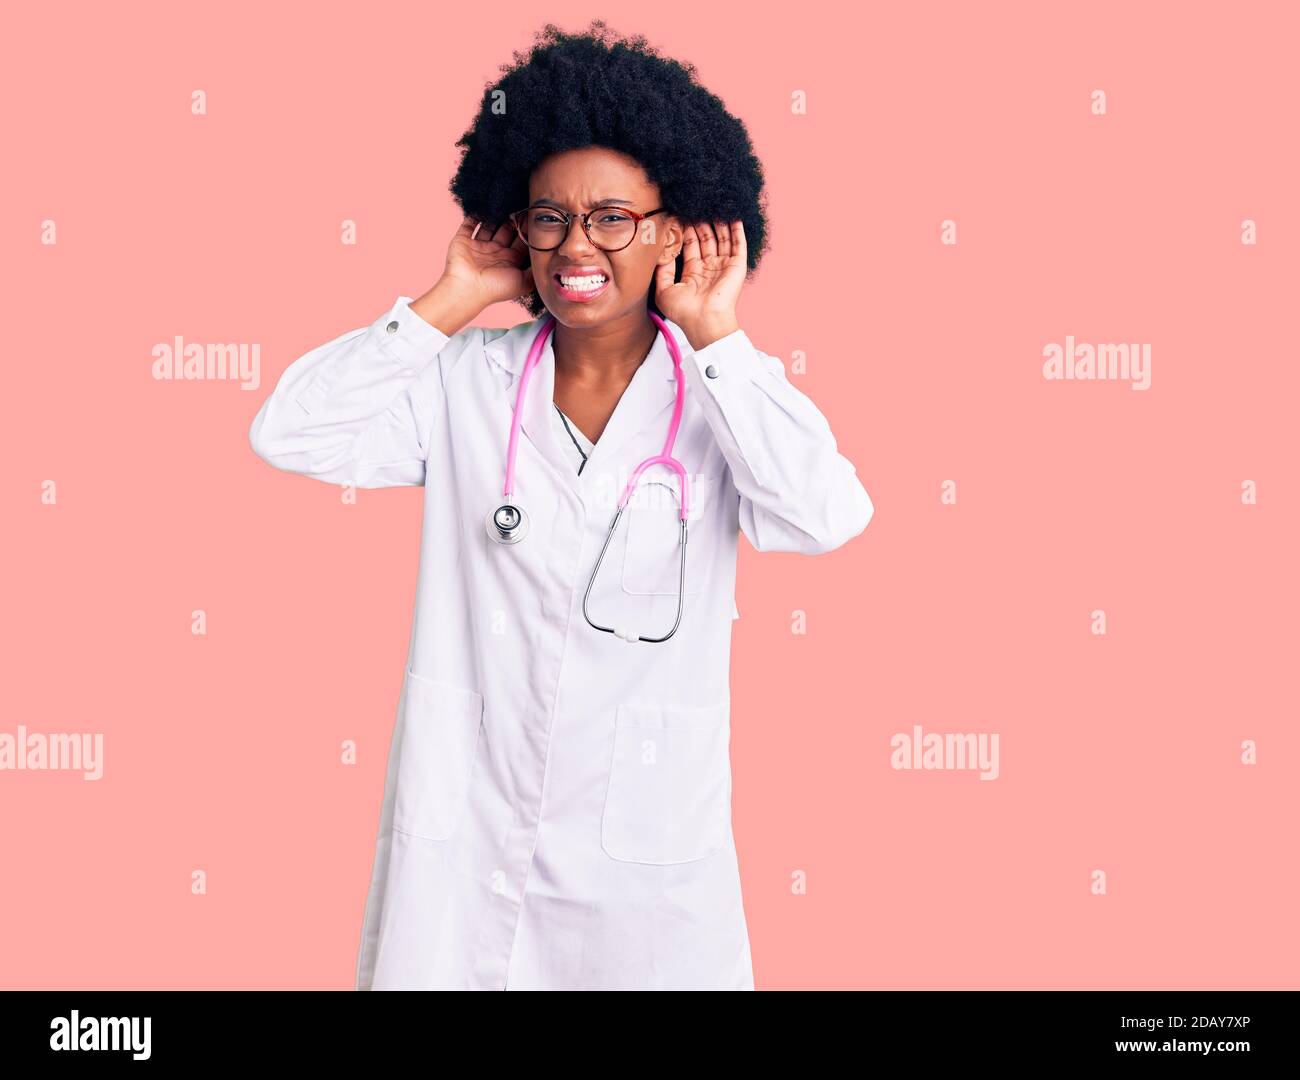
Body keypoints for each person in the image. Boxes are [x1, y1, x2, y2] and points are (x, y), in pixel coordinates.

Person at [247, 19, 874, 990]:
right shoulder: (461, 383)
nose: (577, 243)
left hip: (644, 868)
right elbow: (291, 431)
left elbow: (824, 514)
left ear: (676, 228)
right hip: (467, 847)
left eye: (612, 217)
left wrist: (717, 338)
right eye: (549, 217)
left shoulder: (717, 394)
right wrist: (450, 299)